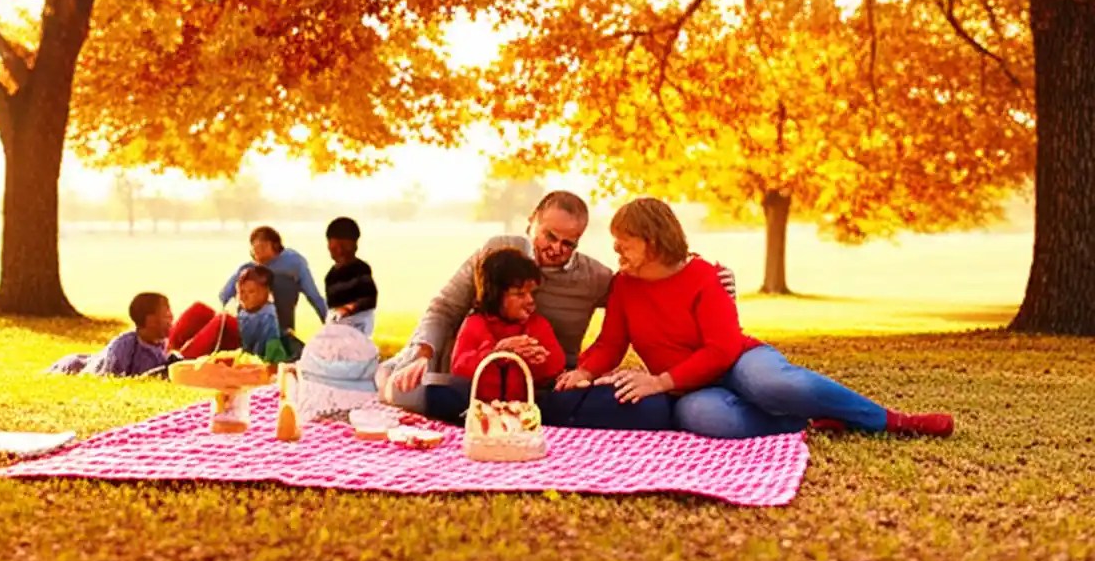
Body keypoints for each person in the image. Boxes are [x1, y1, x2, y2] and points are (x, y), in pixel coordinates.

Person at [551, 198, 955, 438]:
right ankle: (805, 423)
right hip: (686, 385)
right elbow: (610, 343)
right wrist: (585, 371)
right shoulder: (626, 285)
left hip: (737, 361)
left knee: (771, 383)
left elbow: (723, 348)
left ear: (653, 243)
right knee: (699, 416)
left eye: (625, 244)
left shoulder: (703, 277)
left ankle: (892, 421)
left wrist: (659, 381)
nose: (617, 252)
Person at [376, 190, 737, 415]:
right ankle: (387, 372)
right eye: (550, 235)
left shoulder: (594, 277)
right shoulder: (498, 253)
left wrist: (701, 275)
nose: (557, 249)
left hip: (549, 383)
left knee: (642, 408)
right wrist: (422, 354)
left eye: (569, 243)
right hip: (472, 373)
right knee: (397, 386)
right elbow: (444, 308)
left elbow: (648, 288)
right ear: (532, 222)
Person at [434, 247, 564, 423]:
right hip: (480, 416)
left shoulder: (537, 325)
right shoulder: (476, 324)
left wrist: (537, 360)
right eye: (519, 294)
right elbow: (460, 367)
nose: (530, 300)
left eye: (532, 293)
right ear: (495, 295)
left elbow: (556, 364)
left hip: (522, 416)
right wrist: (497, 353)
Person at [170, 225, 328, 358]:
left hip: (265, 332)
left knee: (221, 322)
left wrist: (331, 327)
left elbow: (315, 297)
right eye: (255, 248)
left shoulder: (293, 264)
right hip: (245, 321)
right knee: (199, 310)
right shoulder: (248, 268)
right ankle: (167, 350)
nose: (258, 253)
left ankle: (181, 359)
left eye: (262, 247)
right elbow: (224, 295)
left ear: (275, 246)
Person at [48, 293, 173, 377]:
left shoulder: (163, 345)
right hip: (79, 365)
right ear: (150, 320)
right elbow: (109, 373)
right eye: (166, 315)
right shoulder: (126, 345)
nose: (171, 318)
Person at [323, 217, 379, 338]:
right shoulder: (331, 277)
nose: (339, 251)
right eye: (334, 248)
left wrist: (348, 309)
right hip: (339, 325)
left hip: (359, 324)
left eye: (344, 247)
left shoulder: (361, 269)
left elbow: (370, 299)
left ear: (355, 246)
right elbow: (332, 308)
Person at [233, 265, 291, 363]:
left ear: (265, 293)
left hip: (258, 358)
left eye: (251, 292)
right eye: (241, 292)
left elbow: (267, 346)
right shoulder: (243, 310)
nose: (244, 297)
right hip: (241, 351)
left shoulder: (267, 315)